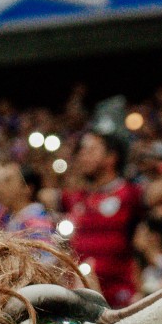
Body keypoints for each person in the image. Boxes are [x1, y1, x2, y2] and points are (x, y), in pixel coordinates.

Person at [63, 129, 145, 307]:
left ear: (111, 157)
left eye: (90, 151)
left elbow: (160, 192)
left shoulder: (130, 194)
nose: (83, 156)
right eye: (82, 151)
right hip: (82, 298)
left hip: (120, 300)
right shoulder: (76, 198)